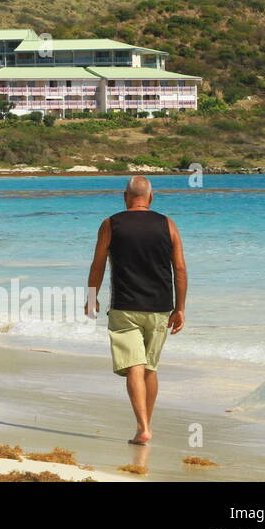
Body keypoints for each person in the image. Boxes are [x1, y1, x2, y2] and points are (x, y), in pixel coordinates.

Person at [85, 176, 188, 446]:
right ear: (151, 198)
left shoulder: (111, 223)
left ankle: (142, 427)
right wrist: (180, 308)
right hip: (160, 308)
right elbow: (179, 268)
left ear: (125, 196)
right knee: (149, 369)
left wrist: (91, 298)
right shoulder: (168, 224)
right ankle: (145, 426)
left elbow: (98, 264)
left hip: (125, 307)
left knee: (135, 366)